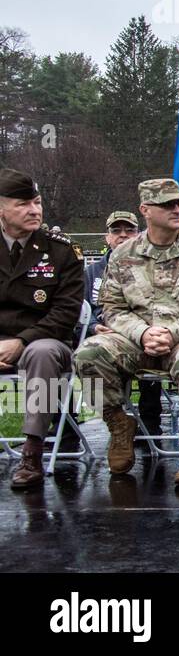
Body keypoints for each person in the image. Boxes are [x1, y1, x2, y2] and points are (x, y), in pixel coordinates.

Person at [74, 179, 179, 487]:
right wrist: (143, 333)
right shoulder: (123, 254)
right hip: (135, 339)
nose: (177, 209)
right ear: (146, 210)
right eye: (168, 204)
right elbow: (112, 307)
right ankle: (118, 423)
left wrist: (172, 332)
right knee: (87, 354)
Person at [0, 169, 85, 490]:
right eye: (23, 204)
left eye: (36, 202)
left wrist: (19, 343)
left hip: (46, 343)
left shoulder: (61, 251)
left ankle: (32, 453)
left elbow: (66, 313)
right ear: (1, 209)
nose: (34, 210)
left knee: (43, 352)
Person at [82, 211, 164, 434]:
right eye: (116, 231)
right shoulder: (92, 272)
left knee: (152, 345)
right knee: (87, 355)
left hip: (141, 334)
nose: (123, 235)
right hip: (104, 333)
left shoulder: (152, 265)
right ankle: (116, 422)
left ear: (140, 234)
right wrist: (92, 327)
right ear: (106, 237)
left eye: (129, 230)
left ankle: (150, 421)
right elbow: (82, 308)